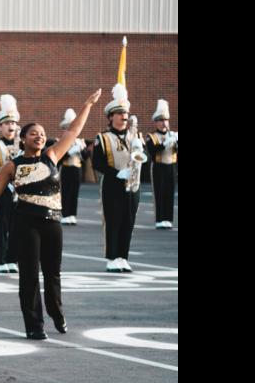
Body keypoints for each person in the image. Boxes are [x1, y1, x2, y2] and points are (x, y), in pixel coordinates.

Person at [0, 88, 103, 341]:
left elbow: (73, 132)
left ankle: (56, 313)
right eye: (34, 133)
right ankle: (34, 325)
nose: (39, 137)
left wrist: (87, 105)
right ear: (23, 139)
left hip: (52, 223)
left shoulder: (51, 156)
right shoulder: (13, 166)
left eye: (43, 134)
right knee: (28, 276)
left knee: (53, 273)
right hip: (26, 225)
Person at [88, 83, 143, 272]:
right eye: (119, 113)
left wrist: (139, 148)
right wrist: (118, 173)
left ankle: (123, 257)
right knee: (113, 220)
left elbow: (145, 158)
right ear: (111, 117)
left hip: (133, 184)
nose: (124, 116)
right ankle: (112, 257)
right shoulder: (102, 138)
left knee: (128, 220)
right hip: (113, 183)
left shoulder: (135, 136)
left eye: (125, 113)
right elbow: (97, 163)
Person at [0, 94, 22, 273]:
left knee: (17, 228)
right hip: (1, 191)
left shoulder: (22, 145)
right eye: (6, 123)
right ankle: (1, 260)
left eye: (13, 123)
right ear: (0, 126)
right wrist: (5, 182)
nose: (10, 126)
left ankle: (12, 259)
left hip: (20, 191)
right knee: (2, 226)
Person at [54, 107, 91, 226]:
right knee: (65, 192)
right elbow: (58, 158)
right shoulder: (61, 141)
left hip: (77, 168)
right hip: (66, 168)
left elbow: (85, 158)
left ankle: (72, 215)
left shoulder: (79, 141)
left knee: (74, 193)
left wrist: (83, 151)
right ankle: (65, 214)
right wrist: (70, 152)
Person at [149, 99, 176, 229]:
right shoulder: (152, 136)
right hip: (158, 166)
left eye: (165, 120)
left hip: (171, 166)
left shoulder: (173, 135)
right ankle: (159, 219)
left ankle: (168, 219)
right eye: (161, 120)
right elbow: (152, 150)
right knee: (159, 193)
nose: (164, 123)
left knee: (169, 193)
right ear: (156, 122)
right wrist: (165, 143)